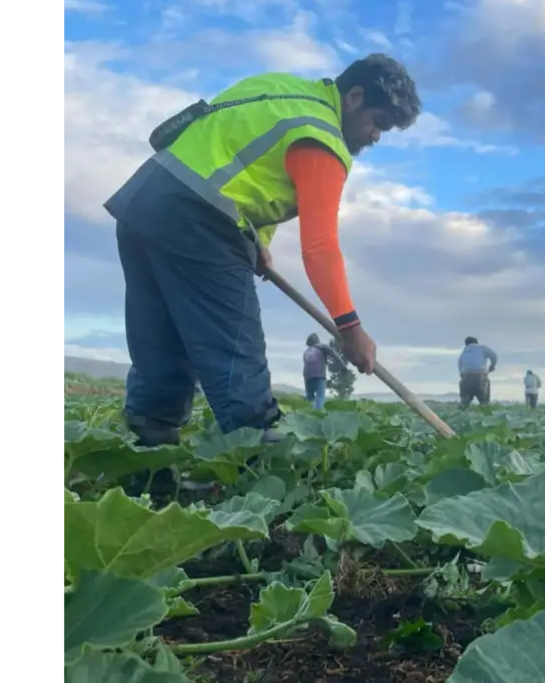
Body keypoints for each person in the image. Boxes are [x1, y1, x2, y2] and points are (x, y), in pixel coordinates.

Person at [102, 54, 420, 494]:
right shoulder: (321, 138)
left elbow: (244, 170)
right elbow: (321, 247)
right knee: (235, 355)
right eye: (377, 121)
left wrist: (260, 244)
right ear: (355, 97)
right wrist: (351, 327)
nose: (375, 135)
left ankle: (150, 483)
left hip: (145, 202)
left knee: (162, 350)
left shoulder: (279, 90)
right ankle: (267, 498)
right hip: (199, 220)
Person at [302, 333, 341, 410]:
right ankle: (318, 415)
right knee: (320, 397)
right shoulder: (322, 347)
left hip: (307, 375)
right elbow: (333, 354)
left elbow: (305, 362)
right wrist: (342, 364)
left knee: (309, 397)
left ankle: (307, 414)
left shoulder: (306, 352)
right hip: (319, 374)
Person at [458, 336, 498, 408]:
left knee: (464, 403)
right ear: (476, 342)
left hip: (467, 377)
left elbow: (460, 367)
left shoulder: (463, 352)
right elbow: (494, 356)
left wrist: (462, 376)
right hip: (480, 376)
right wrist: (492, 366)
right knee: (484, 403)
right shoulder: (482, 348)